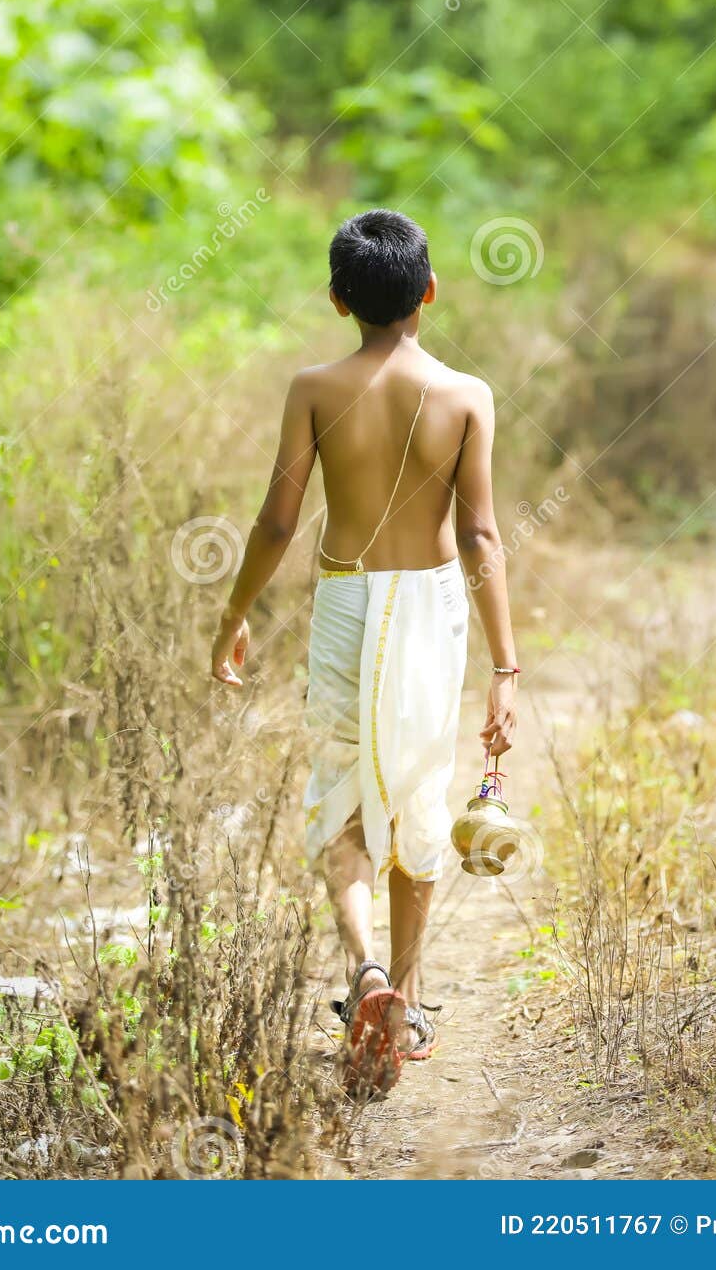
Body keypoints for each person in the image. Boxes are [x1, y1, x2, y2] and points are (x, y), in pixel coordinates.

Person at [211, 208, 517, 1094]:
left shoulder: (313, 386)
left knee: (338, 790)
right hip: (427, 607)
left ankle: (366, 975)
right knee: (417, 789)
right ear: (428, 291)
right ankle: (409, 1003)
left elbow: (276, 519)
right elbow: (481, 537)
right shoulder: (466, 396)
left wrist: (234, 610)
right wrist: (504, 667)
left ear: (339, 298)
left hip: (345, 600)